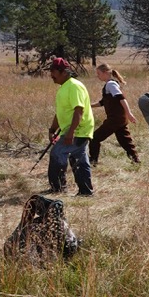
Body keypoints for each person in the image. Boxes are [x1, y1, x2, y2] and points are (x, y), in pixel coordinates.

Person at [46, 57, 95, 196]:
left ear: (63, 72)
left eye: (53, 72)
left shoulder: (74, 86)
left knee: (57, 154)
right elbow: (60, 112)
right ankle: (85, 191)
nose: (51, 75)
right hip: (75, 130)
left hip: (79, 130)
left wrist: (71, 132)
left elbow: (79, 110)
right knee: (78, 159)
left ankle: (58, 188)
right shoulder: (64, 88)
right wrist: (52, 130)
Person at [89, 63, 141, 165]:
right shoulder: (110, 85)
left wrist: (129, 113)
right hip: (120, 119)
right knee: (125, 140)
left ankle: (93, 161)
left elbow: (121, 98)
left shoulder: (110, 84)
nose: (97, 76)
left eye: (99, 74)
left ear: (105, 73)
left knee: (95, 137)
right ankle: (136, 160)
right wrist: (88, 106)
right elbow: (102, 102)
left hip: (115, 119)